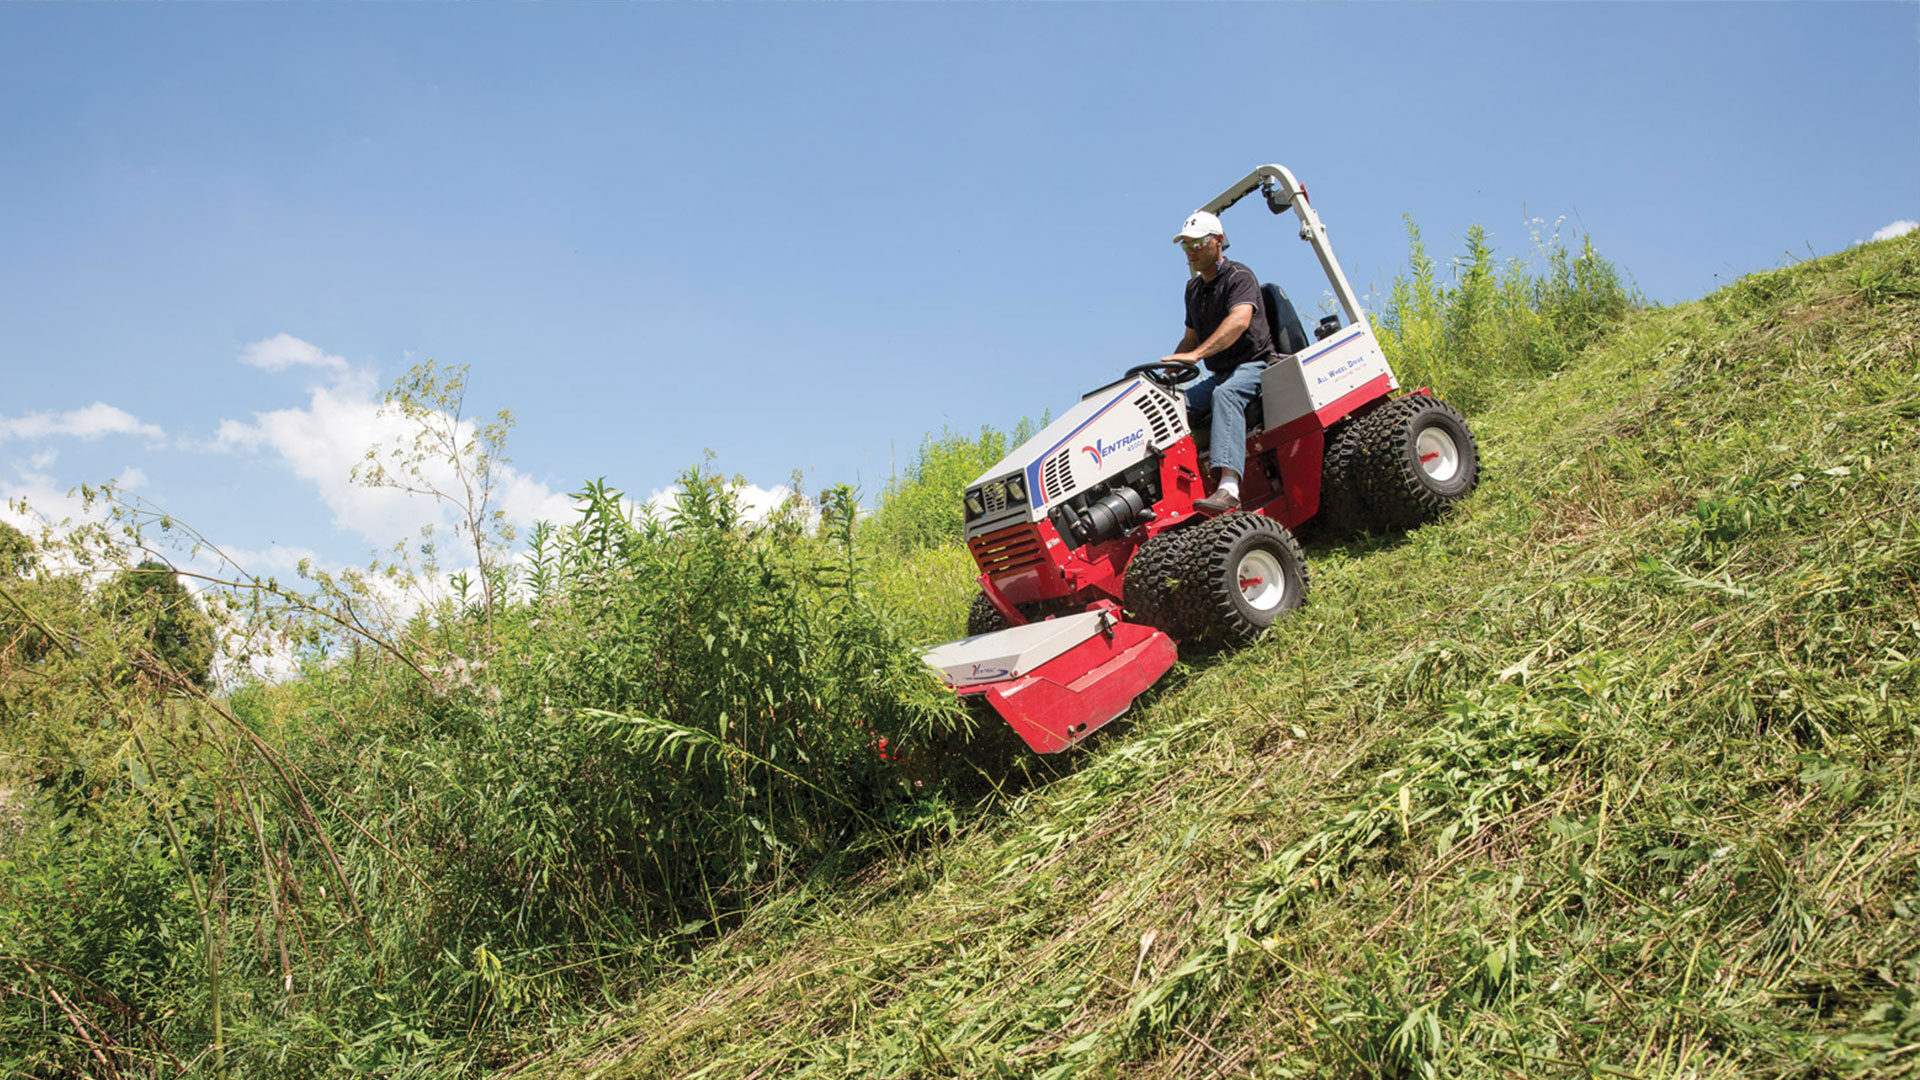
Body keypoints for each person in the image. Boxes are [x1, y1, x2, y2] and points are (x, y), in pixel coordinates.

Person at [1163, 210, 1275, 514]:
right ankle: (1175, 496)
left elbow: (1239, 321)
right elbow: (1190, 340)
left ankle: (1228, 488)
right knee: (1171, 408)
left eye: (1197, 244)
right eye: (1186, 246)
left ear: (1219, 242)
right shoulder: (1193, 290)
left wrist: (1198, 355)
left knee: (1224, 394)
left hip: (1255, 365)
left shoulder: (1240, 277)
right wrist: (1161, 378)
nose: (1191, 252)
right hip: (1221, 373)